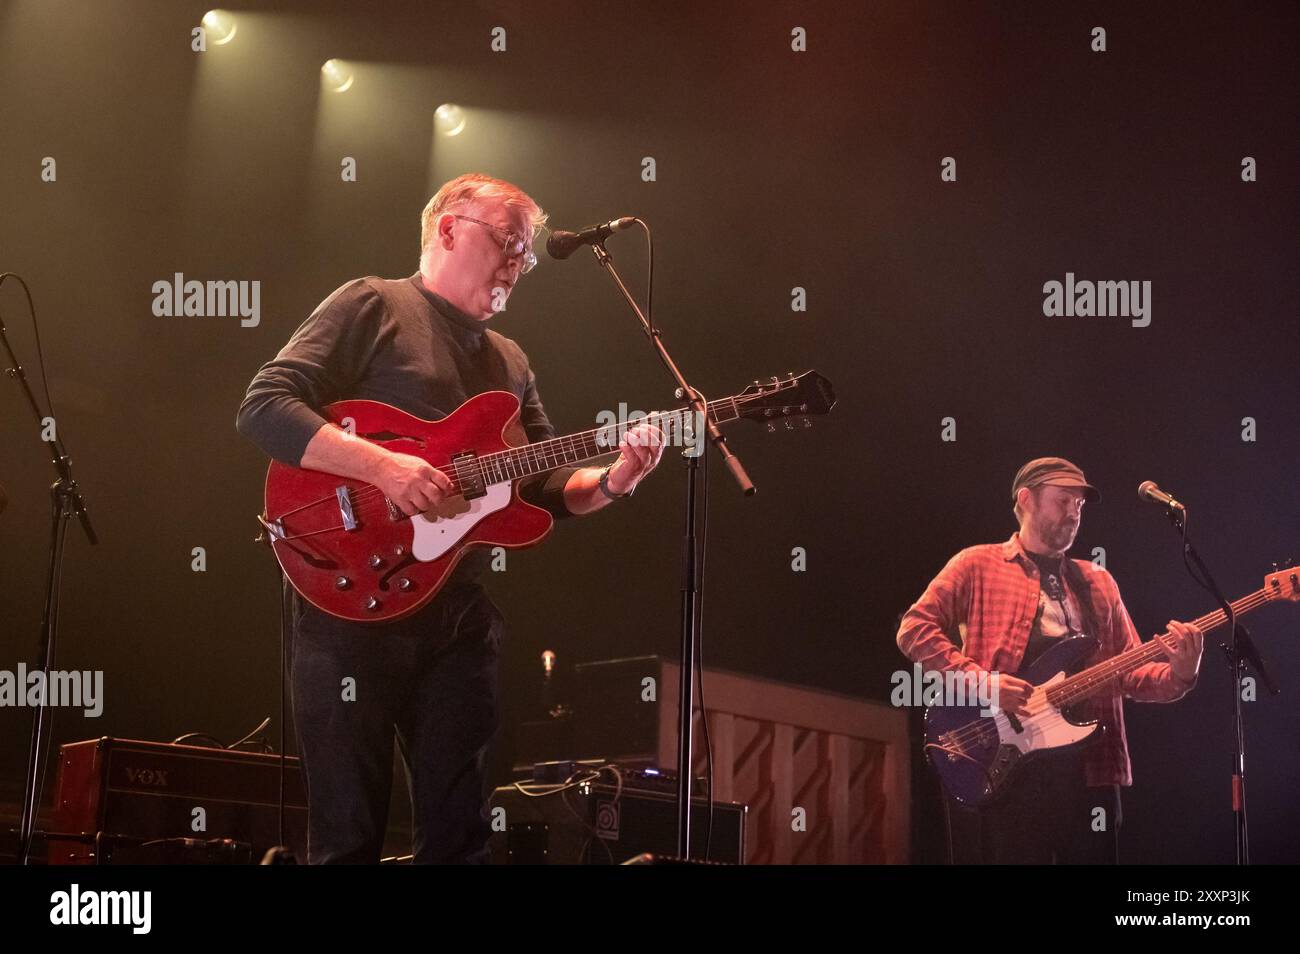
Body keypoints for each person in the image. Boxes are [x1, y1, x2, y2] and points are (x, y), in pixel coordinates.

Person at [236, 173, 665, 863]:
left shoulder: (510, 361)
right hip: (349, 599)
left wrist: (617, 478)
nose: (519, 265)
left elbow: (546, 486)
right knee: (348, 834)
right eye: (508, 244)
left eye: (525, 255)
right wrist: (383, 468)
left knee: (461, 832)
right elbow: (264, 406)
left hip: (455, 616)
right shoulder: (371, 303)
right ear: (447, 229)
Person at [896, 457, 1203, 863]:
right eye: (1063, 500)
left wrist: (1182, 672)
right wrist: (983, 684)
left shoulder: (1098, 581)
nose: (1075, 511)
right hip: (1005, 764)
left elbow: (1131, 671)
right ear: (1026, 499)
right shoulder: (977, 564)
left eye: (1080, 504)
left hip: (1090, 767)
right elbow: (914, 629)